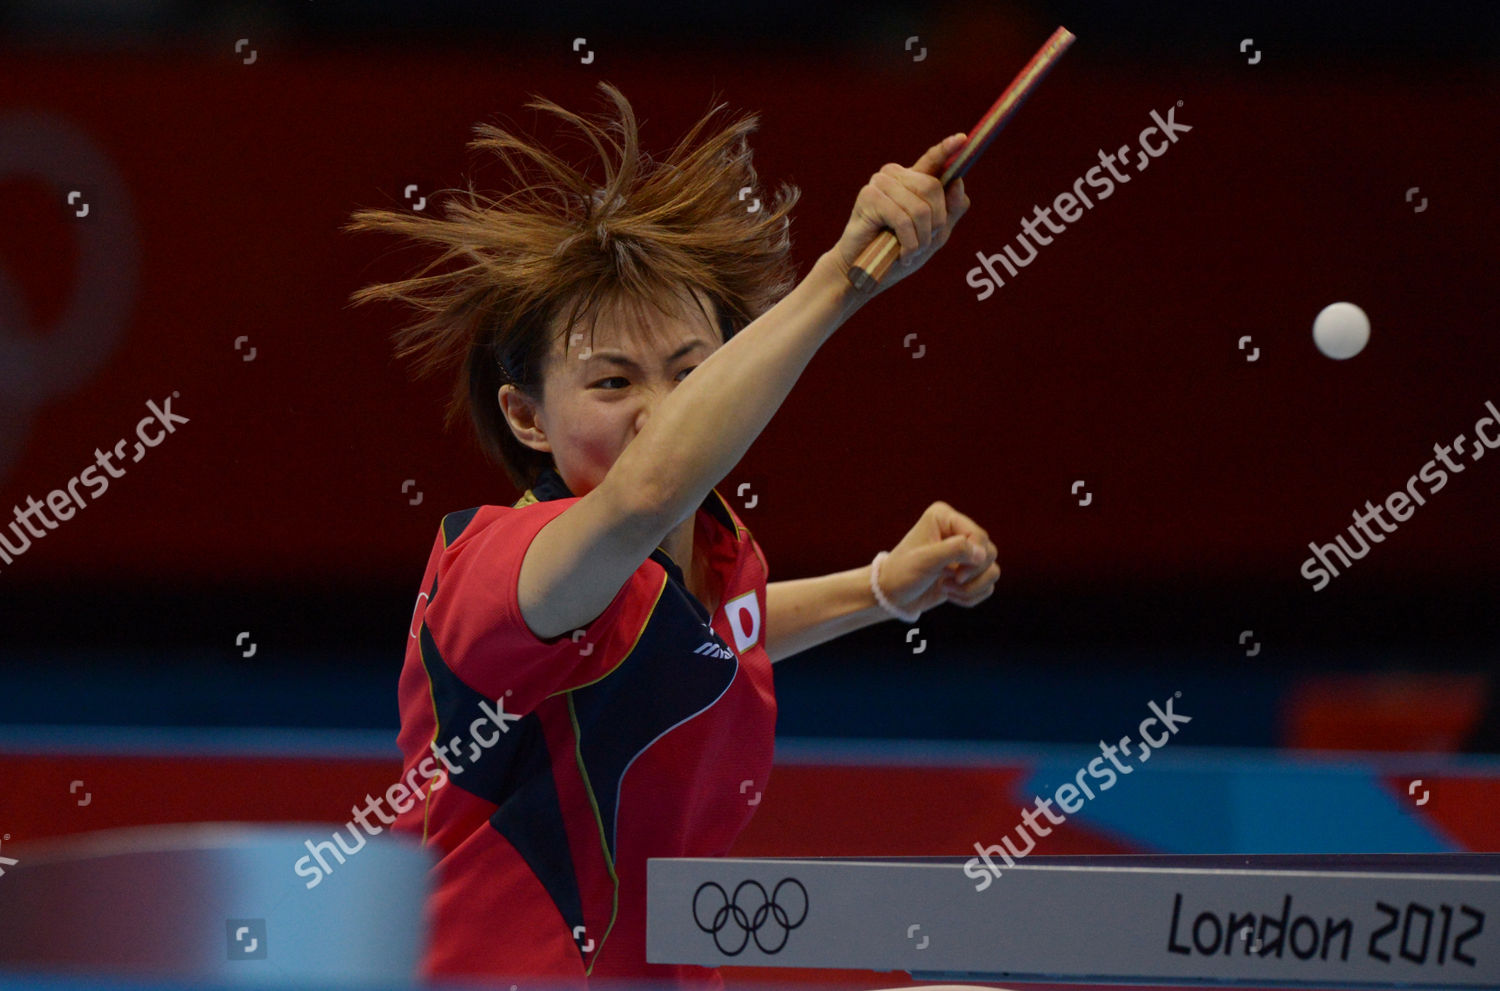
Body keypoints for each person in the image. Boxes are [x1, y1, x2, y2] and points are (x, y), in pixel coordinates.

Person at [343, 81, 1000, 990]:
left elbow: (701, 631)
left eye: (693, 375)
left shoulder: (710, 554)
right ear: (527, 417)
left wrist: (882, 587)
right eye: (612, 383)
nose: (661, 413)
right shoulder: (498, 565)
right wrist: (842, 280)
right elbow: (646, 495)